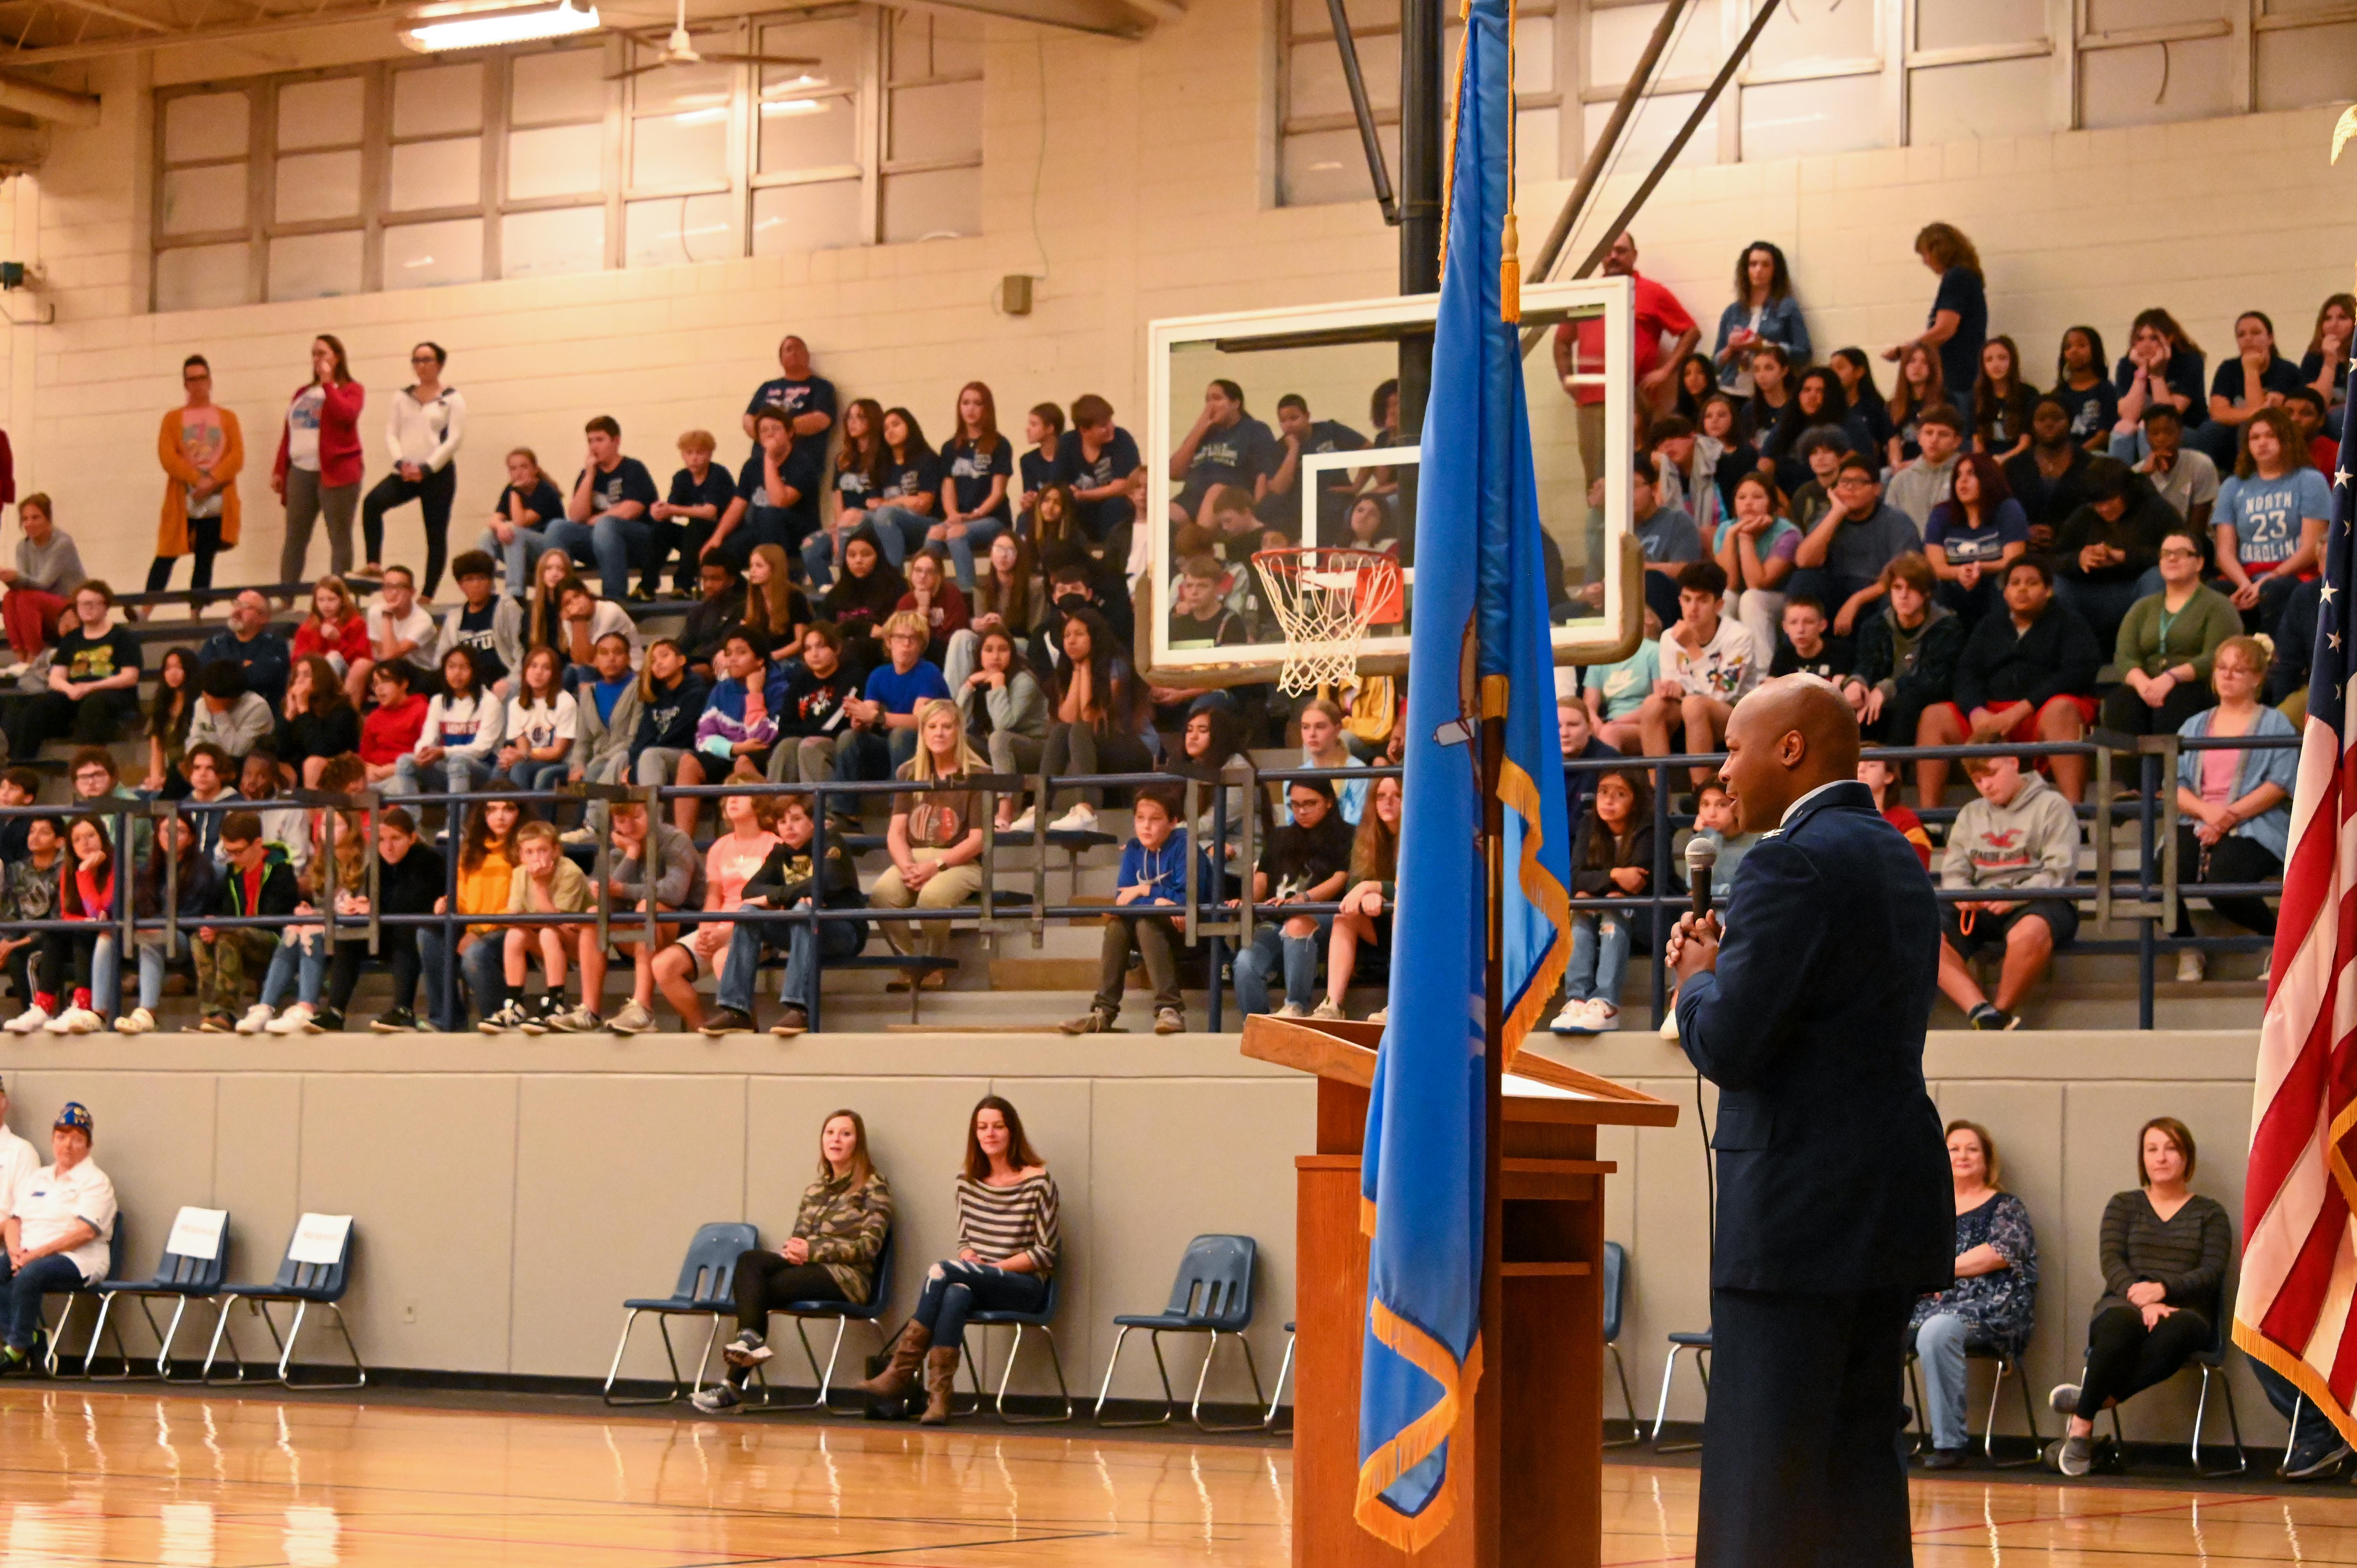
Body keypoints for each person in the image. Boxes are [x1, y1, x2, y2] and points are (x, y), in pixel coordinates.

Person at [1665, 677, 1947, 1564]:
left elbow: (1734, 1040)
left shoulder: (1792, 860)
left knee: (1766, 1474)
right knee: (1858, 1464)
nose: (1722, 769)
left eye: (1734, 747)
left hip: (1795, 1214)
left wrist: (1697, 978)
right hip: (1885, 1203)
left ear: (1791, 748)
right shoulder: (1896, 851)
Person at [854, 1095, 1059, 1424]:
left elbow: (1045, 1253)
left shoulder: (1038, 1182)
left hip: (1023, 1285)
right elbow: (966, 1240)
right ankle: (940, 1400)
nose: (990, 1134)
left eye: (998, 1127)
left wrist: (991, 1269)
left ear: (1012, 1133)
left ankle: (901, 1371)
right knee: (955, 1292)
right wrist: (968, 1258)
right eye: (982, 1127)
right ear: (975, 1135)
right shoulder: (967, 1182)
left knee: (943, 1270)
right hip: (978, 1280)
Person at [2048, 1118, 2232, 1476]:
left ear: (2187, 1158)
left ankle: (2088, 1408)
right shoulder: (2124, 1205)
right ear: (2143, 1159)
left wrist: (2164, 1291)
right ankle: (2085, 1426)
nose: (2161, 1158)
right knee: (2117, 1325)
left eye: (2171, 1148)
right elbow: (2111, 1261)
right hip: (2126, 1300)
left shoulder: (2210, 1213)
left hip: (2187, 1309)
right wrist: (2145, 1300)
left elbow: (2211, 1271)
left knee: (2177, 1331)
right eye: (2152, 1149)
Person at [694, 1110, 892, 1414]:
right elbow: (799, 1238)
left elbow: (870, 1247)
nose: (836, 1140)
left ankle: (734, 1383)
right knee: (750, 1260)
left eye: (845, 1134)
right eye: (830, 1133)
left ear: (858, 1143)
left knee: (763, 1291)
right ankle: (749, 1340)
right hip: (809, 1270)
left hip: (847, 1279)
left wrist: (813, 1252)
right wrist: (794, 1251)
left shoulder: (873, 1186)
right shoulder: (815, 1190)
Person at [1915, 557, 2098, 808]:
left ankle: (2074, 813)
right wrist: (1977, 713)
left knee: (2062, 710)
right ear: (2005, 592)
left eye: (2032, 583)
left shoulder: (2070, 623)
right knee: (1934, 716)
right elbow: (1966, 674)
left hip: (2041, 712)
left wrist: (2023, 709)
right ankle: (1930, 821)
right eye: (2015, 583)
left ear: (2048, 590)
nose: (2022, 589)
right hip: (1991, 713)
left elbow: (2078, 672)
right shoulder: (1989, 625)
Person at [1908, 1121, 2039, 1468]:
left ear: (1987, 1159)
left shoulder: (2005, 1206)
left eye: (1972, 1149)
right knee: (1867, 1323)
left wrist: (1939, 1272)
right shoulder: (1927, 1208)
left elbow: (2000, 1252)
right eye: (1954, 1149)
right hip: (1928, 1305)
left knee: (1937, 1331)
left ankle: (1950, 1445)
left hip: (1991, 1306)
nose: (1963, 1155)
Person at [2170, 636, 2295, 983]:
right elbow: (2174, 783)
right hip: (2197, 819)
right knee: (2157, 880)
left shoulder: (2276, 724)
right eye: (2222, 669)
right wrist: (2207, 813)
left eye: (2238, 671)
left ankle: (2279, 943)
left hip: (2255, 822)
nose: (2227, 676)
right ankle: (2186, 948)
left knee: (2224, 884)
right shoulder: (2194, 725)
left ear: (2257, 678)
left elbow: (2280, 783)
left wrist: (2227, 816)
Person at [694, 794, 866, 1038]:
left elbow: (826, 881)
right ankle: (737, 1010)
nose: (789, 827)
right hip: (802, 927)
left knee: (802, 912)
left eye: (797, 819)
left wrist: (779, 897)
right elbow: (751, 891)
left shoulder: (831, 844)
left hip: (843, 932)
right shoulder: (780, 853)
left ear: (813, 823)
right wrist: (790, 896)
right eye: (783, 822)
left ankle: (800, 1008)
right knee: (749, 913)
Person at [1936, 752, 2080, 1031]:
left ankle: (2001, 1012)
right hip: (1980, 901)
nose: (1986, 786)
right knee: (1924, 933)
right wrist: (1964, 897)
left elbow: (2058, 872)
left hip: (2042, 899)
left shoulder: (2053, 805)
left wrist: (2015, 897)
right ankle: (1981, 1011)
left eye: (1991, 774)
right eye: (1978, 780)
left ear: (2014, 763)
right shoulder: (1971, 813)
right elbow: (1954, 872)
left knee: (2029, 932)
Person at [1058, 786, 1205, 1037]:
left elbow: (1186, 901)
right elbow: (1122, 903)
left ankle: (1170, 1010)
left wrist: (1144, 892)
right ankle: (1103, 1012)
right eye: (1140, 819)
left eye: (1155, 819)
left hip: (1194, 931)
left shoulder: (1186, 847)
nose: (1146, 826)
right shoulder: (1135, 850)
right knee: (1118, 926)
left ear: (1173, 822)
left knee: (1146, 922)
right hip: (1155, 927)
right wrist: (1156, 900)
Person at [1553, 230, 1698, 475]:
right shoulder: (1588, 294)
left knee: (1637, 474)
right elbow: (1562, 342)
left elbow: (1691, 332)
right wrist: (1568, 380)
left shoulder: (1652, 293)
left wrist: (1665, 372)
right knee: (1597, 479)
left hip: (1635, 403)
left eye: (1620, 251)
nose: (1613, 257)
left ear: (1635, 255)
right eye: (1607, 252)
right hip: (1591, 404)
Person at [867, 699, 988, 969]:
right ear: (923, 733)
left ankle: (935, 963)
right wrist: (907, 867)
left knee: (932, 898)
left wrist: (936, 866)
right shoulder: (908, 773)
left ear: (959, 731)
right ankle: (910, 966)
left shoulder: (980, 775)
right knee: (882, 895)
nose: (939, 733)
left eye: (947, 726)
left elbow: (979, 840)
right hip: (915, 857)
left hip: (962, 861)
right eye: (932, 727)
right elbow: (896, 833)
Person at [0, 1102, 116, 1372]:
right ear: (53, 1140)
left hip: (77, 1259)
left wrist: (34, 1256)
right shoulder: (38, 1178)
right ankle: (30, 1339)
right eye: (62, 1138)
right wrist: (16, 1251)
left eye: (77, 1140)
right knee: (7, 1268)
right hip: (29, 1254)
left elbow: (84, 1233)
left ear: (88, 1146)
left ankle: (16, 1351)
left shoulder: (95, 1181)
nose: (67, 1146)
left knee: (31, 1274)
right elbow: (14, 1221)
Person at [577, 796, 703, 1034]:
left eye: (637, 817)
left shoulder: (676, 840)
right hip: (642, 930)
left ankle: (643, 1008)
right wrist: (632, 854)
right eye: (622, 820)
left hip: (686, 923)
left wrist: (623, 889)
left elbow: (675, 893)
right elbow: (608, 903)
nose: (630, 826)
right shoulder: (620, 852)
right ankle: (590, 1011)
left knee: (647, 905)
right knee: (594, 915)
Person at [2103, 525, 2238, 737]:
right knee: (2121, 703)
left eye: (2182, 554)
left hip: (2194, 685)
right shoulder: (2142, 607)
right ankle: (2128, 771)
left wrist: (2172, 677)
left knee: (2177, 703)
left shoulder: (2218, 606)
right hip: (2147, 684)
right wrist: (2144, 685)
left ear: (2200, 563)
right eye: (2166, 554)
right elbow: (2125, 656)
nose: (2172, 559)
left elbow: (2218, 656)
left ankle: (2174, 771)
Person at [1232, 778, 1351, 1019]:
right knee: (1245, 964)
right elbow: (1262, 878)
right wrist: (1246, 900)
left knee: (1298, 924)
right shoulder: (1280, 836)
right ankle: (1257, 1027)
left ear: (1329, 802)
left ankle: (1295, 1007)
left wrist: (1305, 898)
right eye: (1295, 805)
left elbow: (1341, 878)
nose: (1302, 811)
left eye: (1310, 804)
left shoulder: (1347, 834)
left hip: (1327, 917)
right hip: (1276, 917)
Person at [1025, 609, 1150, 835]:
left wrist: (1085, 670)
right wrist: (1078, 670)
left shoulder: (1116, 665)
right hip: (1095, 742)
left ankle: (1086, 808)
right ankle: (1039, 807)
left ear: (1095, 636)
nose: (1071, 641)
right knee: (1063, 730)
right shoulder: (1067, 670)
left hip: (1133, 746)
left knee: (1080, 729)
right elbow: (1069, 719)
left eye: (1080, 634)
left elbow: (1090, 717)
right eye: (1067, 636)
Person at [1551, 765, 1653, 1036]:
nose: (1609, 801)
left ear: (1637, 800)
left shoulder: (1649, 829)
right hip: (1601, 911)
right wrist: (1615, 875)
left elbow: (1639, 882)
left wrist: (1603, 887)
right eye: (1603, 792)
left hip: (1645, 920)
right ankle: (1577, 1000)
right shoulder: (1589, 825)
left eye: (1621, 794)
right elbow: (1575, 879)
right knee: (1582, 905)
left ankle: (1606, 1004)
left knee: (1612, 905)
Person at [1640, 562, 1760, 786]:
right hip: (1690, 713)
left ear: (1719, 605)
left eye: (1702, 600)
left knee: (1695, 705)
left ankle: (1702, 794)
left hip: (1737, 716)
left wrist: (1693, 649)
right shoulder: (1669, 638)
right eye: (1687, 599)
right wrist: (1676, 689)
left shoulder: (1739, 636)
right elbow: (1676, 684)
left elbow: (1724, 693)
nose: (1693, 609)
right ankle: (1659, 802)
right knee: (1653, 705)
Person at [2213, 406, 2330, 636]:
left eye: (2270, 435)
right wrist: (2245, 584)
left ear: (2287, 440)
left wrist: (2269, 578)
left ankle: (2277, 664)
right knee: (2214, 592)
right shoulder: (2233, 485)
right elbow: (2224, 552)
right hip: (2245, 574)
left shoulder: (2309, 480)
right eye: (2255, 437)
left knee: (2274, 591)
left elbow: (2311, 549)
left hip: (2294, 573)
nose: (2262, 443)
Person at [361, 343, 465, 595]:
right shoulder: (402, 397)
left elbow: (454, 440)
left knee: (435, 533)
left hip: (437, 475)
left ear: (439, 364)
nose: (421, 366)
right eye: (416, 360)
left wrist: (427, 469)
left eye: (427, 360)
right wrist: (400, 463)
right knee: (372, 504)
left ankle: (428, 593)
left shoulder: (452, 398)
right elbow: (391, 433)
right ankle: (374, 564)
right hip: (405, 472)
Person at [1788, 452, 1921, 636]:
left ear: (1877, 489)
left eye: (1859, 482)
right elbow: (1804, 561)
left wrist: (1857, 600)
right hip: (1836, 591)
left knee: (1895, 597)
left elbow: (1903, 574)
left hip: (1876, 595)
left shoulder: (1897, 521)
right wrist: (1836, 513)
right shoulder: (1828, 520)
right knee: (1803, 579)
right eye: (1844, 482)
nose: (1850, 488)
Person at [8, 580, 142, 758]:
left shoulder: (123, 637)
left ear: (106, 606)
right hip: (75, 692)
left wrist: (91, 687)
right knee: (37, 707)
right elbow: (56, 678)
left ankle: (89, 761)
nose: (88, 609)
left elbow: (129, 677)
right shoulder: (72, 639)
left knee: (93, 706)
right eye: (83, 604)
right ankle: (21, 764)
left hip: (112, 693)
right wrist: (70, 689)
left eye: (93, 604)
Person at [193, 810, 299, 1032]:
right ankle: (210, 1011)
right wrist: (214, 926)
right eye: (228, 852)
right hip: (239, 936)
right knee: (200, 938)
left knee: (228, 937)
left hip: (274, 942)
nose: (232, 858)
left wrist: (226, 926)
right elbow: (225, 911)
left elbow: (272, 920)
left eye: (238, 851)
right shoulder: (233, 873)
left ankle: (226, 1012)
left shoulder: (280, 870)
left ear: (258, 843)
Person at [111, 813, 217, 1035]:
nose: (171, 837)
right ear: (157, 835)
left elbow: (192, 915)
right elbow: (138, 909)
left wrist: (156, 925)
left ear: (191, 838)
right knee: (109, 937)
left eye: (179, 831)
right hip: (149, 934)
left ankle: (147, 1011)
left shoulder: (202, 869)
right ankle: (98, 1012)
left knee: (154, 937)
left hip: (186, 940)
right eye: (166, 831)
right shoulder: (148, 869)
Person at [2051, 455, 2173, 647]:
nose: (2105, 509)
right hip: (2092, 593)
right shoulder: (2084, 516)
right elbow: (2053, 560)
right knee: (2057, 585)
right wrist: (2079, 559)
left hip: (2138, 589)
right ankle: (2076, 649)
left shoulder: (2155, 510)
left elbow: (2179, 554)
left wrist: (2126, 556)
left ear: (2126, 492)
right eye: (2098, 504)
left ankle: (2148, 647)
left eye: (2110, 500)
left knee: (2157, 576)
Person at [421, 795, 519, 1032]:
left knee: (476, 953)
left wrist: (478, 930)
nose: (500, 816)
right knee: (427, 935)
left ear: (520, 814)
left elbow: (521, 905)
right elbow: (464, 899)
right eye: (492, 810)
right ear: (483, 816)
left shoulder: (526, 847)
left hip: (513, 928)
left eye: (508, 809)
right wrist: (448, 903)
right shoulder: (471, 851)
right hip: (474, 928)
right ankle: (447, 1019)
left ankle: (497, 1019)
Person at [151, 354, 245, 601]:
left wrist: (212, 479)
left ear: (210, 381)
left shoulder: (227, 418)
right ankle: (145, 608)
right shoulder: (173, 419)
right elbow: (168, 456)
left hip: (217, 496)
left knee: (205, 555)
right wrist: (195, 478)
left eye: (202, 378)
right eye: (191, 380)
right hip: (184, 496)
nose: (197, 384)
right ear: (185, 384)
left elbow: (236, 456)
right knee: (167, 552)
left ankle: (196, 613)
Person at [486, 820, 592, 1033]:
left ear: (556, 851)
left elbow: (557, 921)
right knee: (515, 934)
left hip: (582, 945)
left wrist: (540, 886)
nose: (537, 858)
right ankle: (515, 1004)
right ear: (522, 856)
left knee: (548, 933)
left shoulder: (570, 872)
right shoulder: (519, 874)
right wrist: (531, 920)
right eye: (530, 852)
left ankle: (557, 1002)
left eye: (543, 850)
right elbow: (514, 918)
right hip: (548, 935)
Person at [273, 334, 365, 583]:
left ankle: (339, 593)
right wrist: (280, 469)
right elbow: (290, 433)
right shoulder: (302, 393)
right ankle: (287, 596)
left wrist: (328, 384)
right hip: (301, 471)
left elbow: (347, 415)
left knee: (339, 536)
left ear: (337, 357)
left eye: (323, 353)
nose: (317, 359)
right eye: (314, 354)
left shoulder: (351, 390)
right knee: (295, 536)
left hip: (337, 472)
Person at [1313, 772, 1399, 1024]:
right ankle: (1332, 1005)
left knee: (1403, 910)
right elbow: (1354, 889)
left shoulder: (1418, 837)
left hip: (1416, 925)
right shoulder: (1365, 837)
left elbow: (1417, 889)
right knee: (1345, 916)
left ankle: (1398, 1003)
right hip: (1378, 923)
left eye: (1397, 796)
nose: (1388, 802)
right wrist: (1367, 892)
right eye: (1381, 796)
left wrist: (1374, 889)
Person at [1885, 222, 1986, 424]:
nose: (1925, 262)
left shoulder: (1957, 277)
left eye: (1925, 254)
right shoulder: (1967, 277)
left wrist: (1907, 350)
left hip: (1957, 379)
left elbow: (1944, 330)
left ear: (1938, 249)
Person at [549, 416, 659, 603]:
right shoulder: (587, 475)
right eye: (590, 441)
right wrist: (590, 475)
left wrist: (596, 520)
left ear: (616, 441)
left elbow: (632, 509)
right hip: (599, 543)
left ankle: (614, 599)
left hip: (637, 541)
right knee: (558, 527)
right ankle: (561, 595)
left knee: (606, 525)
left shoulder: (633, 468)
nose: (594, 447)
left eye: (600, 440)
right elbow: (576, 517)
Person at [710, 408, 824, 573]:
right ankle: (742, 593)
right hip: (762, 531)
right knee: (722, 555)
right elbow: (738, 505)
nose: (770, 434)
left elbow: (780, 502)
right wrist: (717, 538)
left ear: (790, 433)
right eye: (764, 431)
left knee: (769, 514)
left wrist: (769, 459)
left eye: (776, 429)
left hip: (798, 532)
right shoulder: (752, 466)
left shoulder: (803, 464)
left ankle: (776, 577)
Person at [1922, 452, 2027, 627]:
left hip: (1994, 584)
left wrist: (1979, 567)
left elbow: (2013, 561)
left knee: (2003, 584)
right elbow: (1936, 567)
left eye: (1971, 474)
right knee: (1937, 590)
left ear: (1988, 479)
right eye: (1959, 476)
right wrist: (1960, 573)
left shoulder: (2008, 509)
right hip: (1954, 585)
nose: (1962, 481)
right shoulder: (1941, 513)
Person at [387, 646, 503, 800]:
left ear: (475, 671)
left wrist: (443, 752)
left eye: (464, 668)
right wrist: (423, 752)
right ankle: (409, 820)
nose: (457, 673)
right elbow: (428, 738)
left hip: (483, 769)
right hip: (448, 766)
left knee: (458, 763)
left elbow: (482, 749)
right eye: (451, 667)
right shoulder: (438, 702)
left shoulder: (490, 702)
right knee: (405, 762)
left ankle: (455, 824)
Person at [2199, 309, 2305, 467]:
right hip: (2231, 439)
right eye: (2241, 335)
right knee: (2210, 430)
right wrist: (2257, 411)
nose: (2248, 339)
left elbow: (2262, 420)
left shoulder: (2286, 370)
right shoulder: (2228, 368)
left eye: (2255, 333)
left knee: (2249, 428)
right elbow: (2218, 413)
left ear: (2270, 338)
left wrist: (2251, 369)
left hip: (2275, 435)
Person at [1169, 380, 1279, 528]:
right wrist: (1200, 427)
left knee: (1215, 491)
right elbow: (1174, 472)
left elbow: (1263, 474)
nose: (1210, 406)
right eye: (1208, 401)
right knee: (1164, 514)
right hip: (1192, 498)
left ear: (1236, 403)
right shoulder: (1204, 434)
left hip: (1229, 499)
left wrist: (1261, 512)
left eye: (1217, 399)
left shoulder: (1254, 430)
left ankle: (1199, 545)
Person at [630, 641, 710, 839]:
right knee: (618, 761)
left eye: (664, 656)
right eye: (653, 661)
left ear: (682, 660)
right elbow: (644, 736)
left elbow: (681, 735)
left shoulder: (697, 692)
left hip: (687, 754)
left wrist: (640, 761)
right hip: (659, 754)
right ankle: (596, 826)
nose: (658, 663)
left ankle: (652, 830)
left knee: (650, 755)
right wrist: (632, 764)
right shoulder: (656, 696)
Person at [1713, 240, 1810, 399]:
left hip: (1772, 394)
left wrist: (1763, 345)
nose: (1759, 270)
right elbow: (1714, 365)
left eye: (1766, 265)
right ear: (1746, 270)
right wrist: (1730, 349)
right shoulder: (1732, 312)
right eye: (1753, 264)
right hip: (1732, 391)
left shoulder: (1787, 307)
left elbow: (1804, 354)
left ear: (1775, 271)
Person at [1712, 471, 1797, 653]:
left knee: (1751, 599)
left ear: (1771, 503)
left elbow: (1757, 584)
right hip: (1745, 598)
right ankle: (1724, 666)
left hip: (1781, 602)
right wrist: (1731, 536)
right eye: (1741, 498)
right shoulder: (1727, 529)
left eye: (1758, 497)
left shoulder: (1787, 533)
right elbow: (1729, 584)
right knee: (1725, 599)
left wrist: (1745, 537)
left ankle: (1761, 673)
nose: (1748, 503)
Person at [2001, 397, 2097, 552]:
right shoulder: (2014, 466)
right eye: (2042, 419)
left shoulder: (2090, 465)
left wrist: (2061, 532)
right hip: (2023, 552)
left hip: (2075, 552)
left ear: (2070, 422)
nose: (2049, 424)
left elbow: (2095, 514)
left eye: (2057, 418)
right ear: (2032, 425)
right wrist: (2023, 532)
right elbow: (2004, 510)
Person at [650, 429, 736, 600]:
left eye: (700, 453)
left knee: (696, 524)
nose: (694, 458)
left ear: (710, 455)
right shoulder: (681, 478)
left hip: (721, 535)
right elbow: (671, 508)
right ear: (682, 455)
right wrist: (659, 511)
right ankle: (647, 585)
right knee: (663, 529)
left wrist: (672, 510)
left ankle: (684, 584)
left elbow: (710, 512)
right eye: (689, 453)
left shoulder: (718, 474)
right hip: (694, 538)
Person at [0, 494, 84, 667]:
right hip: (40, 607)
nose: (29, 523)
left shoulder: (62, 544)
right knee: (10, 597)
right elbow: (24, 585)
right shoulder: (22, 547)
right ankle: (20, 658)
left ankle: (34, 656)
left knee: (26, 598)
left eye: (36, 517)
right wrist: (8, 579)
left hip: (70, 607)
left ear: (48, 519)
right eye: (25, 519)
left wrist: (17, 577)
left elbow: (43, 583)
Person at [1056, 393, 1143, 554]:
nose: (1111, 427)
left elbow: (1124, 485)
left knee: (1115, 504)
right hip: (1082, 511)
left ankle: (1112, 554)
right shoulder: (1067, 443)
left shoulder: (1122, 439)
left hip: (1114, 509)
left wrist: (1083, 495)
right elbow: (1059, 481)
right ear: (1084, 430)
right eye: (1103, 426)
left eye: (1111, 421)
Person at [478, 447, 567, 597]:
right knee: (487, 535)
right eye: (513, 469)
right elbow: (494, 519)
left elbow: (520, 522)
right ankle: (486, 590)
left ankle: (515, 594)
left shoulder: (546, 491)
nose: (518, 473)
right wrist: (500, 526)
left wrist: (515, 492)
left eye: (524, 467)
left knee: (514, 532)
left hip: (548, 551)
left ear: (535, 469)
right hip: (521, 549)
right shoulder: (510, 489)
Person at [437, 551, 522, 700]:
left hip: (505, 685)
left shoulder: (507, 608)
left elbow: (522, 652)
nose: (476, 585)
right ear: (460, 585)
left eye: (481, 578)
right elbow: (442, 659)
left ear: (491, 581)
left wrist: (511, 682)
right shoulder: (454, 619)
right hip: (467, 689)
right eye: (469, 580)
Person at [498, 645, 577, 799]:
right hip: (531, 759)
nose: (538, 672)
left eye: (546, 668)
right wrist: (512, 756)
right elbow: (522, 746)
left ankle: (530, 820)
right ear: (525, 671)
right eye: (533, 666)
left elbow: (557, 752)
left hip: (560, 763)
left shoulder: (566, 702)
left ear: (554, 674)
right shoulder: (516, 704)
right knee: (499, 770)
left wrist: (521, 755)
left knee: (521, 769)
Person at [195, 589, 292, 711]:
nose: (237, 611)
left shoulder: (275, 646)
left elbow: (262, 678)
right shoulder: (216, 643)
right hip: (217, 717)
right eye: (237, 604)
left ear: (264, 617)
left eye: (247, 607)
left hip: (260, 717)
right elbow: (205, 676)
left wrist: (225, 671)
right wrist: (243, 667)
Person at [742, 333, 836, 448]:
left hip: (802, 461)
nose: (794, 352)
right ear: (781, 359)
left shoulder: (822, 387)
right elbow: (748, 419)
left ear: (808, 356)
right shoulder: (767, 387)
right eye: (789, 349)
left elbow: (821, 420)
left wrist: (776, 430)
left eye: (799, 348)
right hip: (762, 461)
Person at [293, 576, 374, 708]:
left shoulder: (356, 623)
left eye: (332, 600)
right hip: (314, 677)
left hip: (347, 678)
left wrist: (338, 642)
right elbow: (298, 659)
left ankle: (324, 700)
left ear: (342, 600)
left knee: (334, 657)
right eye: (321, 600)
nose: (326, 605)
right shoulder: (308, 627)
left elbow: (363, 662)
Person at [1885, 405, 1963, 532]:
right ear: (1919, 437)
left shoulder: (1967, 477)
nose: (1934, 440)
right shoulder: (1901, 481)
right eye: (1929, 433)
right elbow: (1890, 528)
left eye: (1943, 434)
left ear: (1957, 441)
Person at [366, 564, 440, 692]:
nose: (394, 593)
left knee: (393, 669)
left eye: (400, 587)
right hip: (391, 669)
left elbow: (390, 656)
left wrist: (388, 617)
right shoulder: (375, 612)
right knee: (362, 666)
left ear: (412, 592)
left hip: (422, 673)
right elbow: (382, 655)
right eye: (388, 587)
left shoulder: (423, 620)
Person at [357, 660, 428, 789]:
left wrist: (388, 770)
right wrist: (369, 770)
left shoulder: (421, 710)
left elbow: (426, 756)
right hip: (375, 777)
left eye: (386, 681)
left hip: (406, 774)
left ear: (404, 684)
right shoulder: (374, 718)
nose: (379, 689)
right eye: (376, 684)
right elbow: (365, 758)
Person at [186, 659, 272, 762]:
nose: (208, 701)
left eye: (215, 700)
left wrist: (220, 714)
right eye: (206, 696)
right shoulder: (201, 703)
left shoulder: (257, 707)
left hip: (244, 764)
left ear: (234, 698)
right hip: (208, 762)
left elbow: (237, 752)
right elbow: (194, 739)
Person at [1858, 752, 1931, 869]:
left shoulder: (1905, 821)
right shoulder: (1834, 817)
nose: (1861, 769)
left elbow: (1916, 872)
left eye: (1872, 765)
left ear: (1888, 777)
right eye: (1857, 764)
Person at [2051, 326, 2118, 450]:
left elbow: (2104, 435)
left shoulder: (2106, 389)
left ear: (2095, 350)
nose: (2074, 351)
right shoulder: (2059, 394)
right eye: (2068, 347)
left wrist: (2078, 455)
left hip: (2094, 454)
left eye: (2082, 346)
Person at [142, 648, 198, 796]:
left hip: (193, 770)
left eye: (179, 668)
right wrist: (156, 778)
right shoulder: (161, 704)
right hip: (172, 771)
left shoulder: (200, 703)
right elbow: (157, 747)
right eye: (168, 668)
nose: (172, 673)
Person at [1971, 336, 2036, 461]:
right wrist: (1986, 463)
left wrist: (2004, 459)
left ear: (2013, 361)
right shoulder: (1977, 395)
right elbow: (1977, 440)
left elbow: (2026, 441)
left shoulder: (2028, 394)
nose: (1996, 365)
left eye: (2002, 358)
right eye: (1989, 360)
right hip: (1988, 461)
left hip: (2020, 460)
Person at [1884, 345, 1948, 470]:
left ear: (1933, 368)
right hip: (1905, 467)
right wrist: (1896, 465)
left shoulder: (1945, 403)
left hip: (1936, 465)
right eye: (1912, 361)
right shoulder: (1893, 405)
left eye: (1924, 362)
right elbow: (1894, 441)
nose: (1917, 367)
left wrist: (1917, 464)